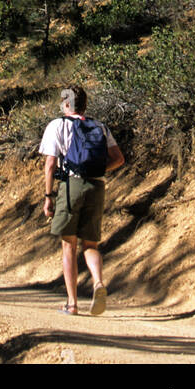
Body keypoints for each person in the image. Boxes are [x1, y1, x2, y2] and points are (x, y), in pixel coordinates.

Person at [40, 85, 124, 316]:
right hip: (97, 186)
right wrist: (97, 169)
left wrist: (48, 197)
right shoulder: (99, 126)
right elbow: (118, 158)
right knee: (91, 244)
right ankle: (98, 282)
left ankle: (72, 304)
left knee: (69, 245)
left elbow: (49, 165)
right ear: (85, 104)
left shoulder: (58, 125)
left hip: (71, 186)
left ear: (67, 104)